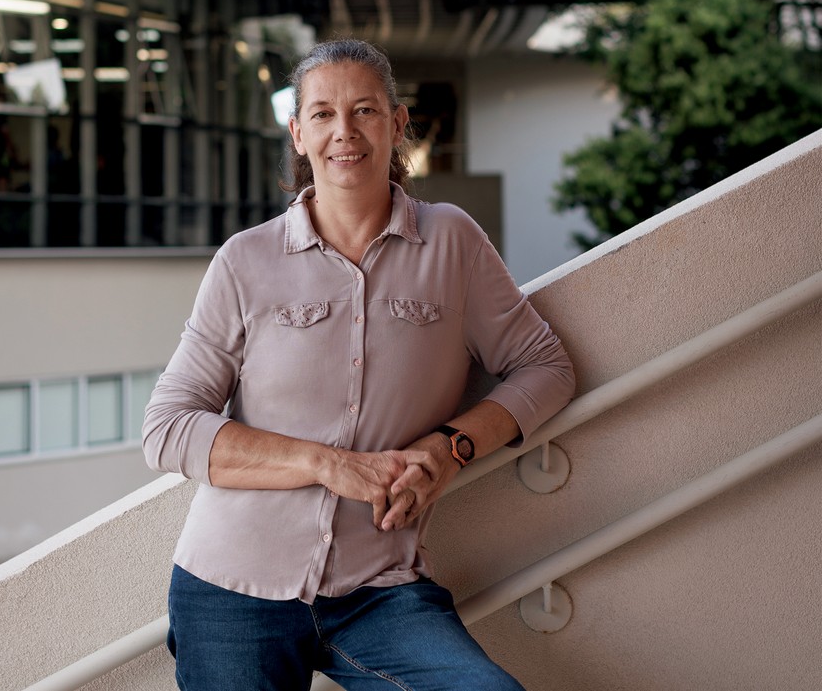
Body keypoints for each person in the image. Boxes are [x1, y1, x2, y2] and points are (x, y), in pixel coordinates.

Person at [143, 38, 575, 691]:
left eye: (364, 110)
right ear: (297, 130)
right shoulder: (244, 261)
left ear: (398, 123)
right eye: (321, 114)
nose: (343, 132)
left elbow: (546, 366)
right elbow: (167, 429)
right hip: (233, 586)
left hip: (382, 589)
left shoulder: (451, 240)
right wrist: (327, 464)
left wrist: (453, 446)